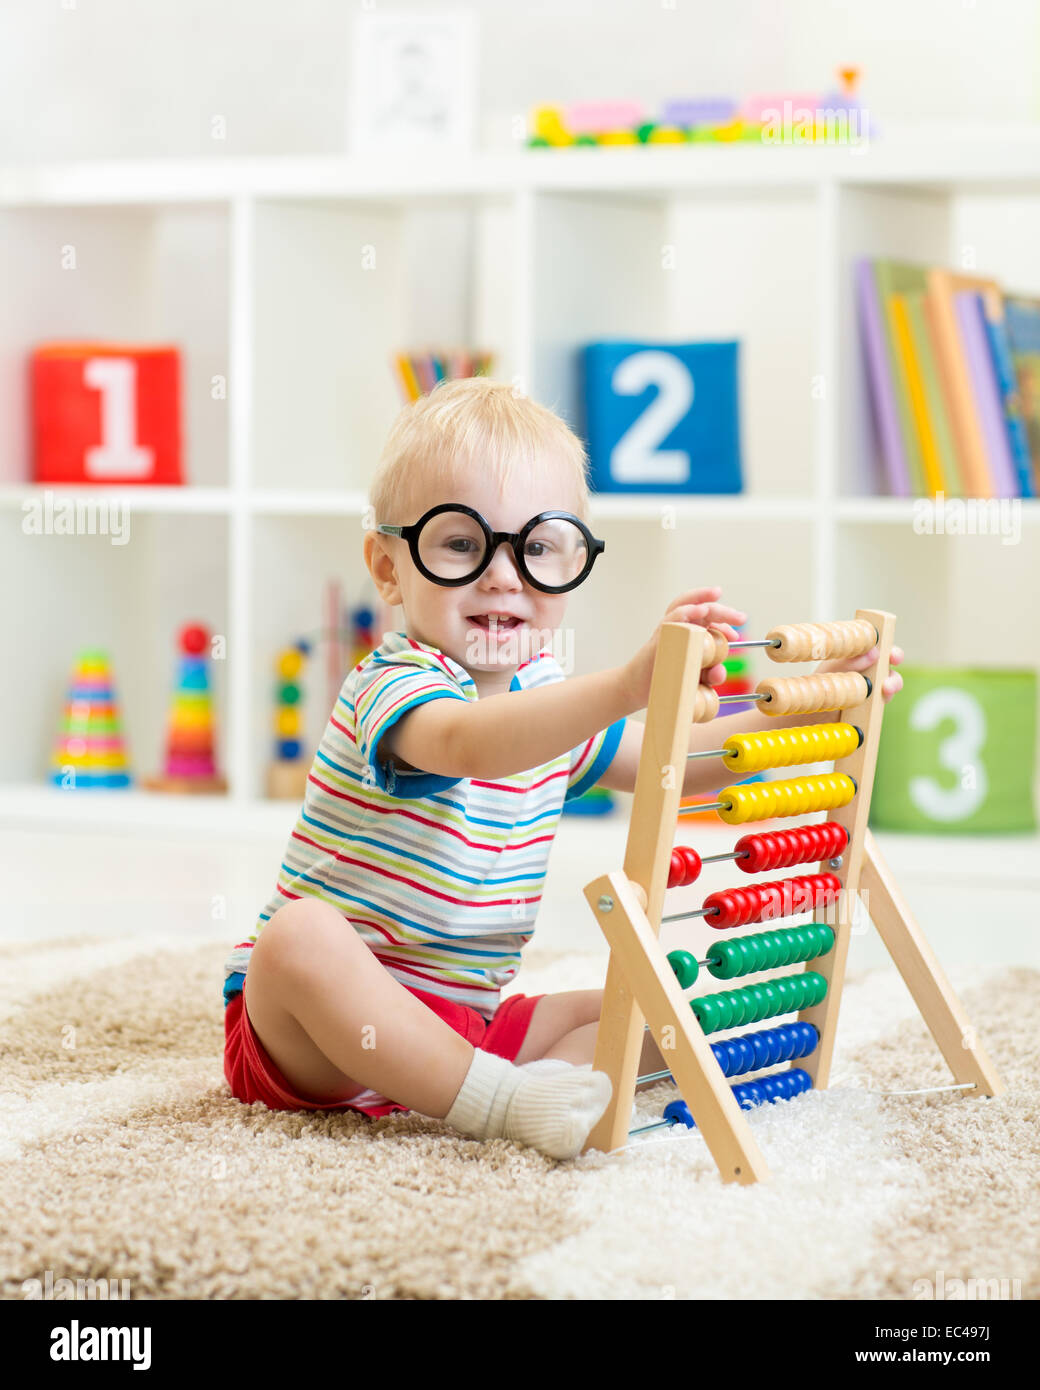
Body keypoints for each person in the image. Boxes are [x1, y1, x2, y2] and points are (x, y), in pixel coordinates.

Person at [224, 377, 903, 1160]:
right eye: (461, 543)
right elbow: (470, 743)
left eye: (538, 546)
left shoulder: (545, 695)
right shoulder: (394, 683)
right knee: (298, 939)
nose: (504, 576)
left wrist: (820, 704)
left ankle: (495, 1082)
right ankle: (495, 1102)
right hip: (315, 1035)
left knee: (649, 1009)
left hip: (468, 1020)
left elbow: (667, 759)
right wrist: (622, 686)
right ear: (387, 567)